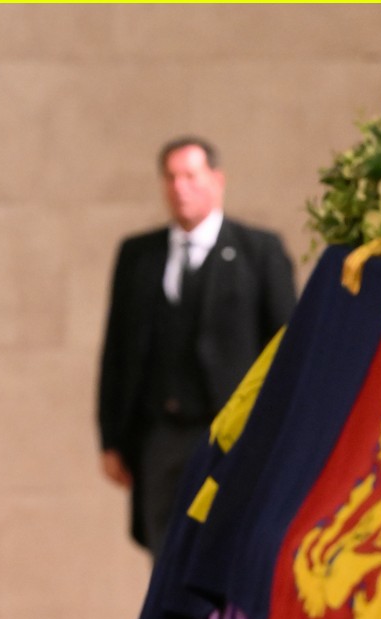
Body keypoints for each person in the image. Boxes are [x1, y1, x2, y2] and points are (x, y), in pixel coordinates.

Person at [98, 136, 297, 556]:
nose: (180, 187)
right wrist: (111, 438)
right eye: (170, 177)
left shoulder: (258, 252)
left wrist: (279, 433)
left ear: (217, 180)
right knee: (164, 550)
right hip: (159, 438)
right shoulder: (139, 255)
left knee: (229, 547)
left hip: (233, 434)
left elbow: (287, 349)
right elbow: (117, 350)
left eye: (190, 175)